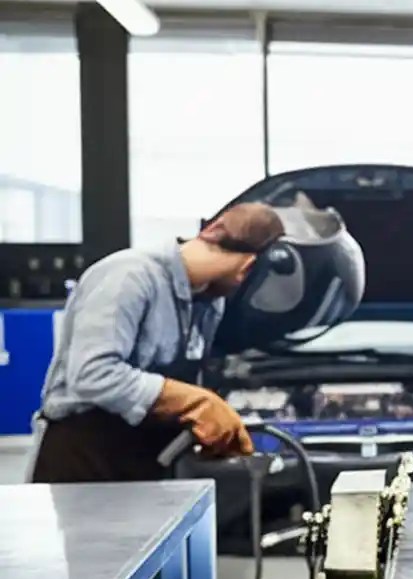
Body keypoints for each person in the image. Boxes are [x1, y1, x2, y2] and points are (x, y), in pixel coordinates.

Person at [30, 202, 285, 485]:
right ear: (248, 267)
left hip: (146, 456)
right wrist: (197, 401)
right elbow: (93, 375)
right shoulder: (128, 276)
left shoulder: (210, 303)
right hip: (83, 460)